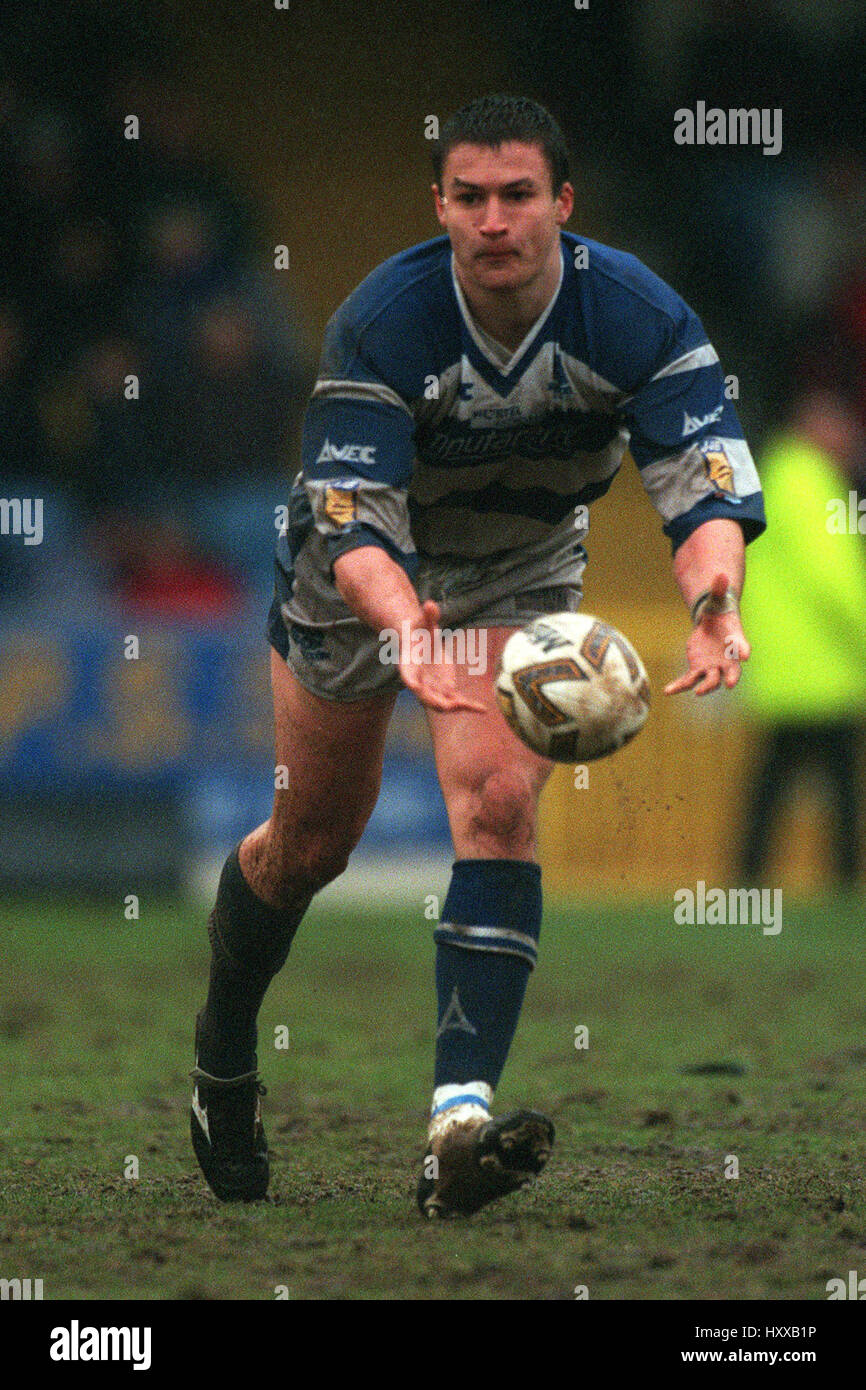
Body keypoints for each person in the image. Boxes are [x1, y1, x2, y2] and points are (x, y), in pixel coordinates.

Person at [190, 94, 765, 1217]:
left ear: (562, 201)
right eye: (469, 198)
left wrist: (713, 596)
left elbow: (701, 481)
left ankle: (455, 1124)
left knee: (496, 798)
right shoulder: (385, 317)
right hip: (358, 578)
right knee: (309, 844)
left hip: (521, 567)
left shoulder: (638, 315)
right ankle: (221, 1054)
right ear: (439, 206)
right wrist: (408, 630)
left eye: (516, 196)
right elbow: (351, 522)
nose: (494, 220)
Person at [739, 388, 866, 886]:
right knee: (838, 787)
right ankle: (844, 886)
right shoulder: (806, 479)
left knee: (773, 783)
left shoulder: (779, 474)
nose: (852, 436)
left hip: (791, 669)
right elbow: (833, 576)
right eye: (844, 424)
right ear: (817, 424)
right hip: (818, 668)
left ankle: (747, 882)